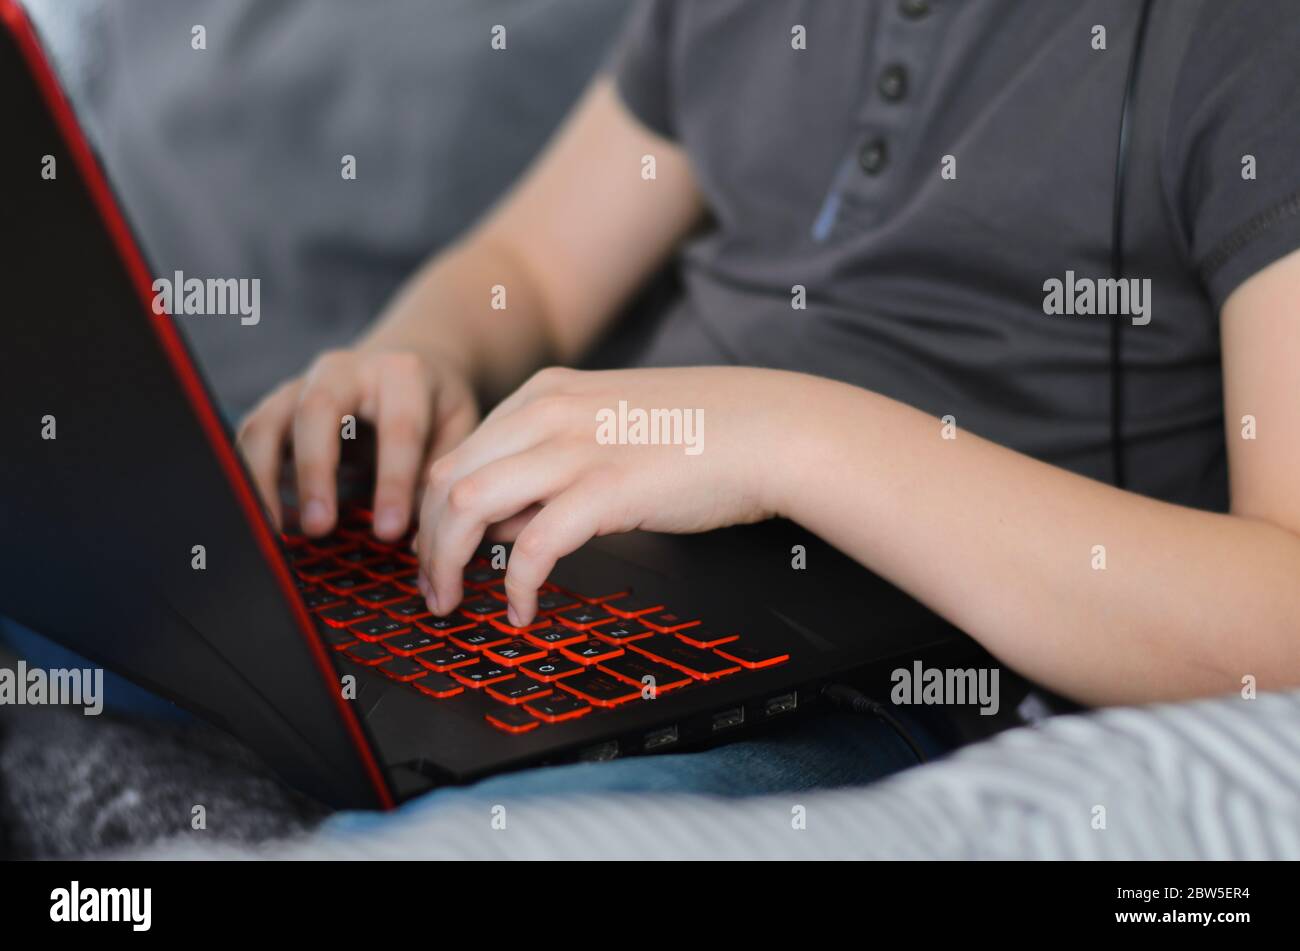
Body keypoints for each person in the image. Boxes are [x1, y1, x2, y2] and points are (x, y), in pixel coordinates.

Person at [236, 0, 1300, 801]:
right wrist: (417, 350)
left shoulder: (1246, 43)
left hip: (891, 686)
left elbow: (1283, 613)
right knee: (119, 661)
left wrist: (782, 439)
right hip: (592, 582)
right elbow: (534, 265)